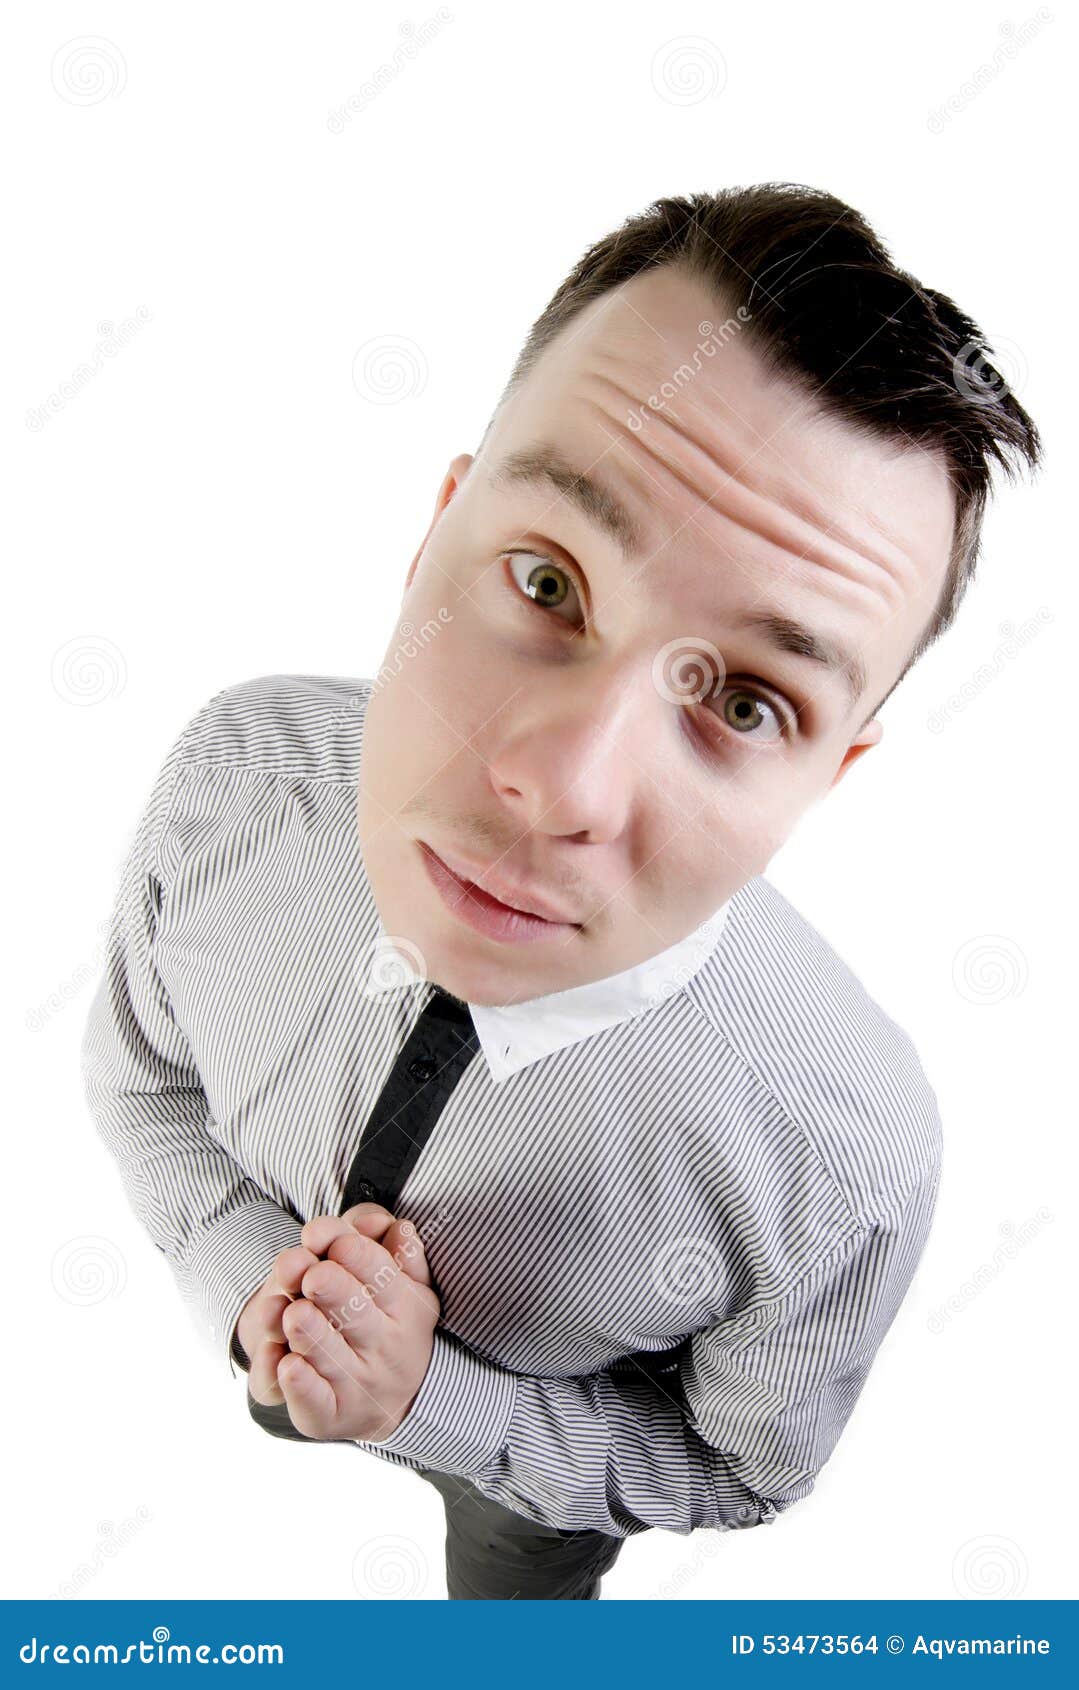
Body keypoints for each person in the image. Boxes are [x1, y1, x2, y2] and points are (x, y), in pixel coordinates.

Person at [81, 183, 1042, 1600]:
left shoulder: (848, 1159)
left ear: (830, 773)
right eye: (546, 582)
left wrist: (434, 1403)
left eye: (749, 703)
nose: (559, 789)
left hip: (523, 1510)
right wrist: (253, 1299)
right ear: (435, 537)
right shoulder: (234, 777)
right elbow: (140, 1079)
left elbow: (736, 1466)